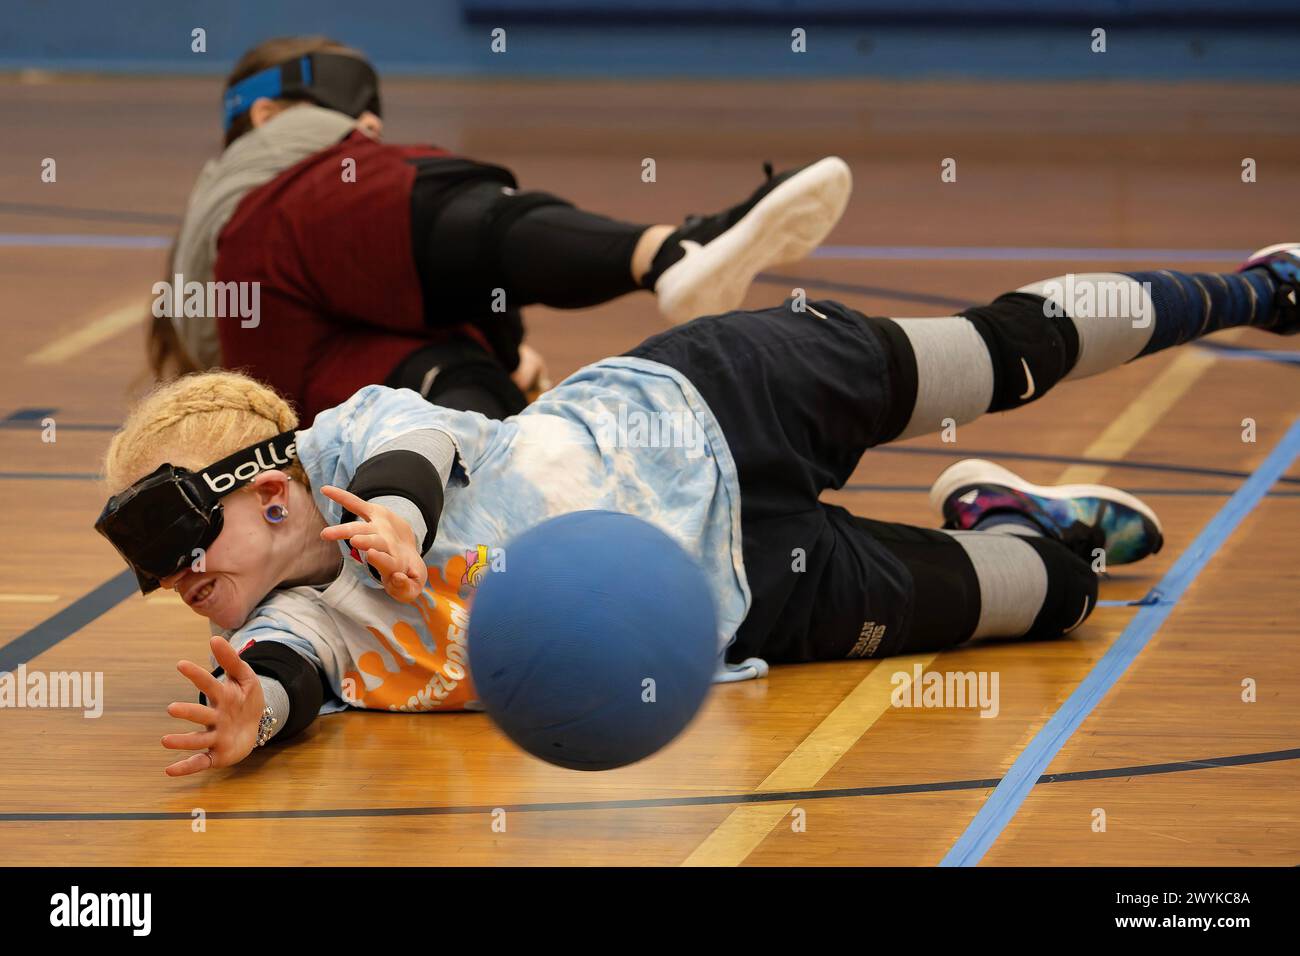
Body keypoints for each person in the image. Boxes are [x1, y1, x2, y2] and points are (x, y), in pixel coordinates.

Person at [98, 244, 1299, 776]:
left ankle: (1260, 284)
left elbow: (417, 441)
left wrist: (403, 524)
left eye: (171, 546)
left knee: (1003, 352)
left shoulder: (347, 435)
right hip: (749, 594)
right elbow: (285, 673)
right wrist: (254, 719)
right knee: (1055, 597)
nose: (167, 584)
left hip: (718, 397)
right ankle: (1012, 517)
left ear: (262, 492)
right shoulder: (309, 627)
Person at [151, 34, 852, 421]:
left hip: (296, 376)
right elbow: (442, 231)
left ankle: (482, 494)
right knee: (449, 213)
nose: (368, 126)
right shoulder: (277, 170)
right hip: (285, 260)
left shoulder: (209, 253)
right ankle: (669, 252)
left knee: (452, 382)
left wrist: (502, 348)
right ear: (269, 114)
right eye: (352, 112)